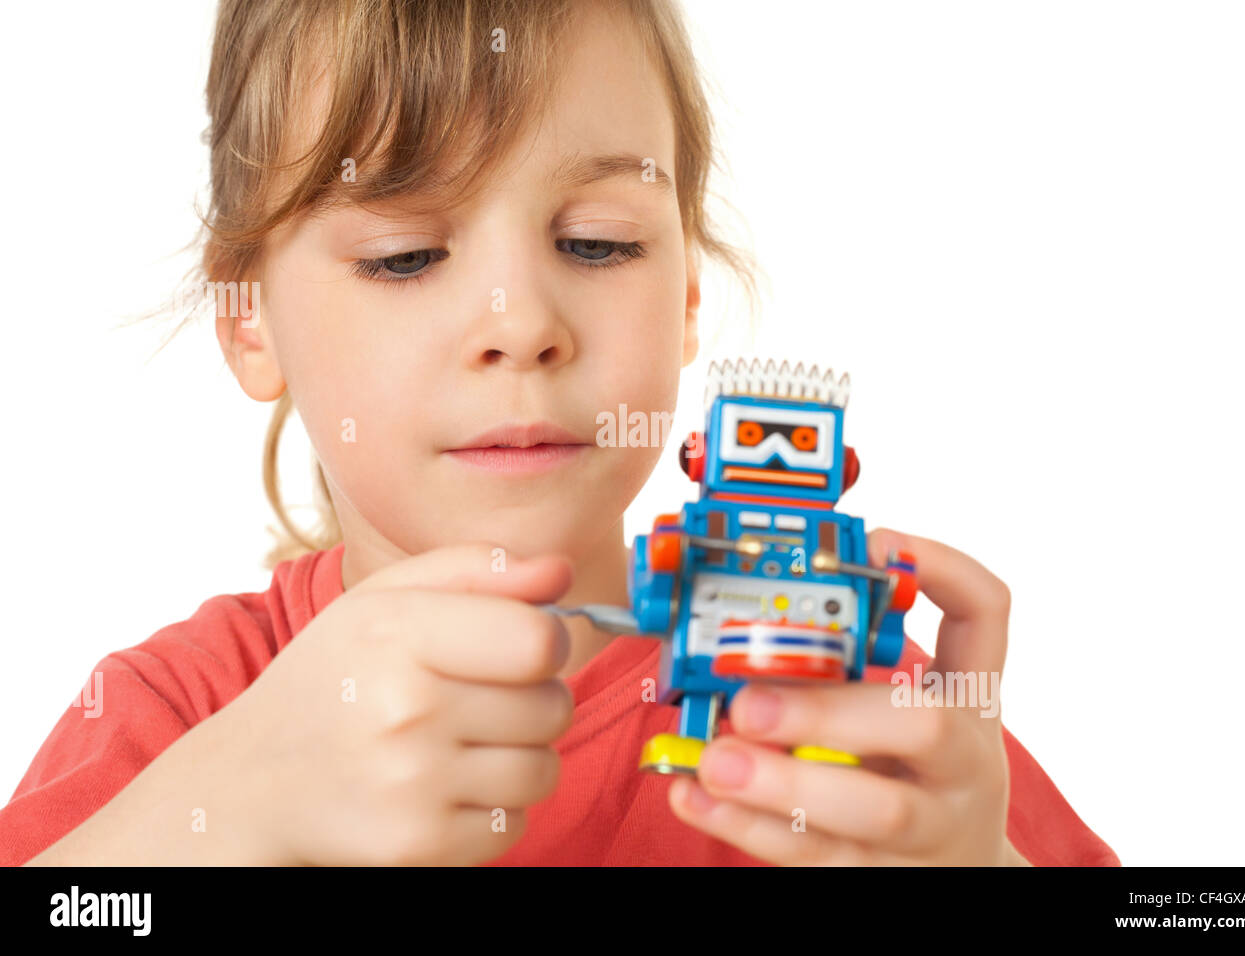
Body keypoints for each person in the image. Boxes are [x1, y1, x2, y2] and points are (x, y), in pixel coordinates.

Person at [1, 0, 1118, 867]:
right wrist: (221, 813)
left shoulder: (838, 703)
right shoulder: (180, 714)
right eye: (404, 256)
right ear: (250, 321)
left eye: (596, 243)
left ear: (686, 298)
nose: (520, 325)